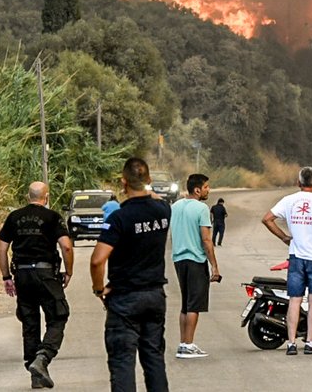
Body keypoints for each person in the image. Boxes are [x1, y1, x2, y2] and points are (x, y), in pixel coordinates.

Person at [91, 157, 171, 392]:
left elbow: (97, 260)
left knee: (123, 361)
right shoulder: (163, 210)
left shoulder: (119, 217)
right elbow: (155, 197)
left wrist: (99, 289)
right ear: (149, 180)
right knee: (154, 359)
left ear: (123, 182)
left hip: (125, 298)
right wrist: (148, 188)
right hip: (155, 296)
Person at [0, 181, 74, 389]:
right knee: (58, 316)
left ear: (27, 196)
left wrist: (6, 277)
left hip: (21, 274)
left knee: (29, 322)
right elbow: (66, 247)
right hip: (46, 274)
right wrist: (69, 271)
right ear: (46, 197)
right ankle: (43, 357)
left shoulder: (14, 217)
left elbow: (2, 249)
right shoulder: (52, 217)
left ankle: (36, 374)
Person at [262, 166, 312, 356]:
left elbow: (267, 219)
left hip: (296, 258)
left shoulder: (289, 201)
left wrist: (284, 237)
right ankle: (310, 343)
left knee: (294, 301)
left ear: (298, 183)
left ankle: (291, 343)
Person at [170, 173, 221, 358]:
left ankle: (184, 342)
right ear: (197, 189)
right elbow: (206, 240)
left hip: (178, 259)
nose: (208, 190)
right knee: (194, 305)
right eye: (206, 187)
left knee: (185, 304)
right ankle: (188, 345)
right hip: (195, 260)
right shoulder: (201, 209)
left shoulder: (175, 206)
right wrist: (214, 265)